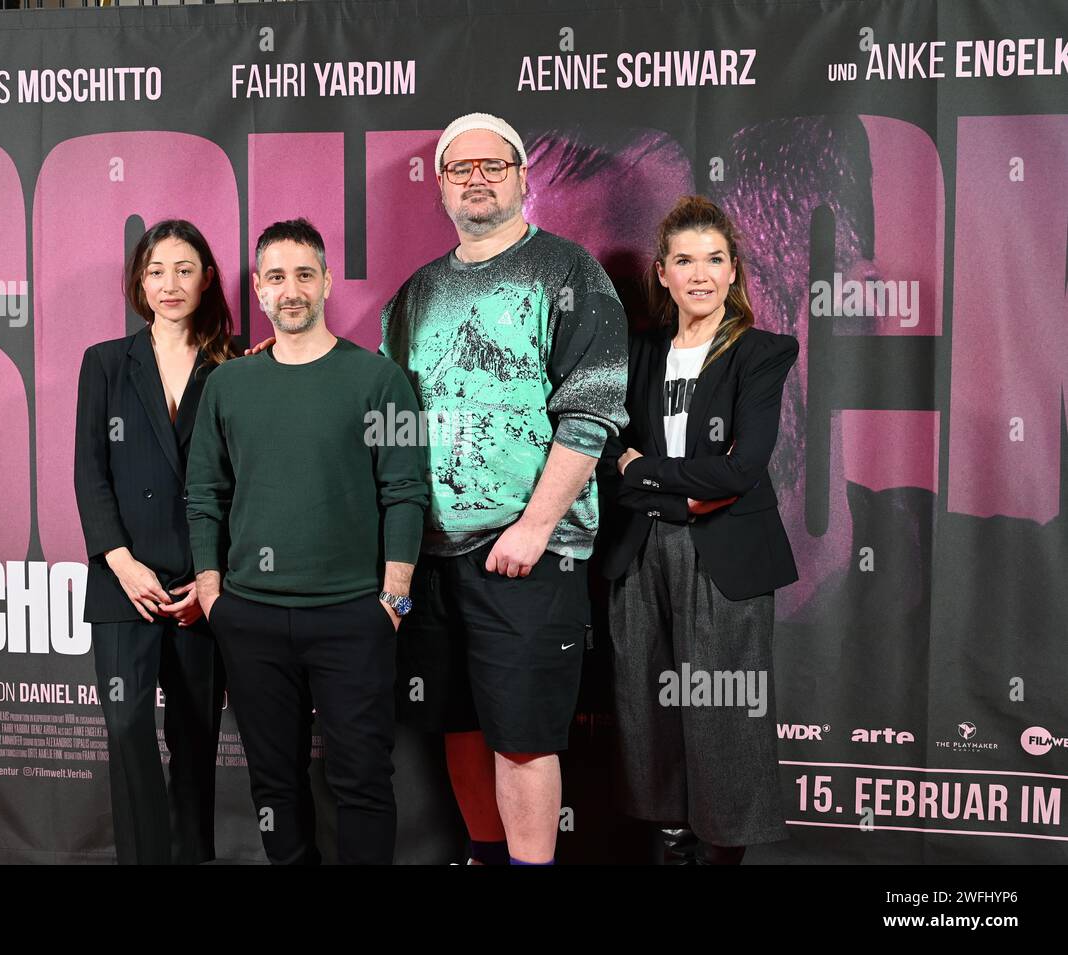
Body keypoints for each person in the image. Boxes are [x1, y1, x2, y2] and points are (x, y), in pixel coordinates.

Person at [380, 112, 629, 866]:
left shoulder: (567, 270)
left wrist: (534, 526)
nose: (478, 178)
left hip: (528, 552)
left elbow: (593, 406)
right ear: (441, 186)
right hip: (432, 557)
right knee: (460, 724)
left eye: (495, 165)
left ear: (523, 179)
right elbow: (385, 417)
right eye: (461, 167)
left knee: (523, 735)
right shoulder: (414, 295)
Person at [186, 218, 428, 865]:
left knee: (363, 780)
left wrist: (394, 599)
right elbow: (204, 493)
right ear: (258, 291)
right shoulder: (228, 385)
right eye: (275, 276)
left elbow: (405, 490)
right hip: (251, 617)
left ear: (324, 282)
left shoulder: (381, 380)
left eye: (302, 274)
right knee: (275, 781)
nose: (289, 289)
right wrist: (213, 593)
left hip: (354, 615)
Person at [597, 195, 799, 865]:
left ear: (735, 270)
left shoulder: (761, 352)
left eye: (715, 259)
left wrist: (646, 470)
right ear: (661, 273)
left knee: (723, 724)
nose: (701, 273)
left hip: (724, 553)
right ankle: (672, 851)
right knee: (644, 717)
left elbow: (740, 467)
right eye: (684, 260)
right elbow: (605, 455)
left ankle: (722, 857)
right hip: (640, 550)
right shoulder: (636, 352)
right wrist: (663, 479)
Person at [73, 219, 233, 864]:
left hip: (204, 585)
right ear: (140, 280)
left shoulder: (237, 361)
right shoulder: (107, 362)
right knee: (126, 727)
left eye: (185, 269)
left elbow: (244, 481)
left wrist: (212, 576)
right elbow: (90, 473)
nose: (170, 284)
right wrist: (121, 563)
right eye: (157, 270)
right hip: (124, 584)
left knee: (197, 738)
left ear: (208, 278)